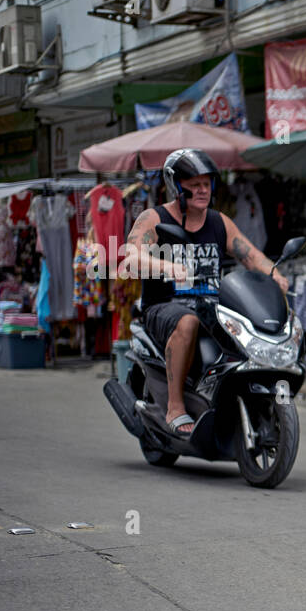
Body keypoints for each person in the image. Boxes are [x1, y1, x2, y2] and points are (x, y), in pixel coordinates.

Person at [126, 149, 289, 436]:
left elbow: (250, 255)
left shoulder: (218, 222)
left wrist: (275, 275)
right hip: (165, 305)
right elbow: (131, 255)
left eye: (206, 184)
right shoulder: (154, 218)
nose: (203, 190)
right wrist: (164, 265)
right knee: (187, 322)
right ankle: (175, 406)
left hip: (211, 306)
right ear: (177, 186)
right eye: (194, 185)